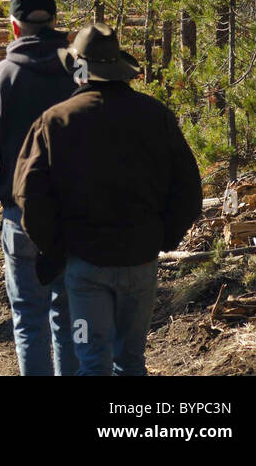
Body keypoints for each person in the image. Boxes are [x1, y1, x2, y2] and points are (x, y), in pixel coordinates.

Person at [13, 22, 203, 376]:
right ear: (118, 69)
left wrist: (57, 250)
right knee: (131, 362)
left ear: (79, 70)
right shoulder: (155, 116)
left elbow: (30, 195)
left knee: (91, 361)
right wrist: (160, 238)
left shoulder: (56, 122)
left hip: (85, 268)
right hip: (139, 264)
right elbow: (189, 190)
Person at [0, 0, 79, 376]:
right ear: (56, 23)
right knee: (68, 312)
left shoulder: (1, 77)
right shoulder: (81, 72)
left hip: (20, 214)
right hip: (75, 215)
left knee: (29, 315)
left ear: (15, 29)